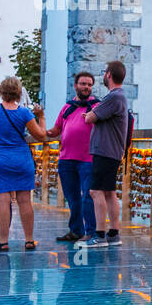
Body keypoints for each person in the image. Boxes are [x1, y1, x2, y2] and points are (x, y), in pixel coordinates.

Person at [0, 75, 48, 251]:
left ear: (1, 92)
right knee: (24, 200)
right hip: (21, 159)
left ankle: (3, 241)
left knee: (2, 200)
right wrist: (41, 116)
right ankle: (29, 239)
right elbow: (41, 136)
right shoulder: (25, 113)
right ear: (19, 93)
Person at [45, 72, 98, 243]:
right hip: (66, 159)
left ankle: (91, 233)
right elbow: (55, 130)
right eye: (83, 84)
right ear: (75, 86)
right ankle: (75, 230)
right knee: (72, 197)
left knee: (88, 197)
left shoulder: (97, 106)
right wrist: (39, 126)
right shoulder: (67, 107)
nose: (86, 87)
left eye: (89, 84)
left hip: (88, 159)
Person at [83, 60, 130, 248]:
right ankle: (113, 233)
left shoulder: (114, 96)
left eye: (104, 72)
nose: (103, 75)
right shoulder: (119, 97)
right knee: (109, 192)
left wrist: (89, 115)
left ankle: (100, 235)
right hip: (113, 151)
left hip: (105, 151)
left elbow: (90, 117)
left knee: (95, 191)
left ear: (109, 74)